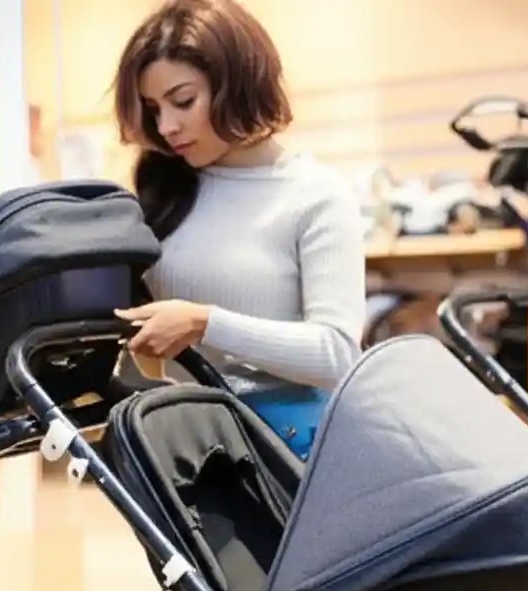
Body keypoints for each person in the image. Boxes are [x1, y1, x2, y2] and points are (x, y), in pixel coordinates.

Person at [110, 0, 367, 458]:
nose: (167, 126)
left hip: (290, 453)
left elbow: (337, 355)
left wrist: (204, 323)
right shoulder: (166, 191)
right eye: (154, 109)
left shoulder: (314, 195)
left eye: (183, 101)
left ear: (238, 85)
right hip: (186, 445)